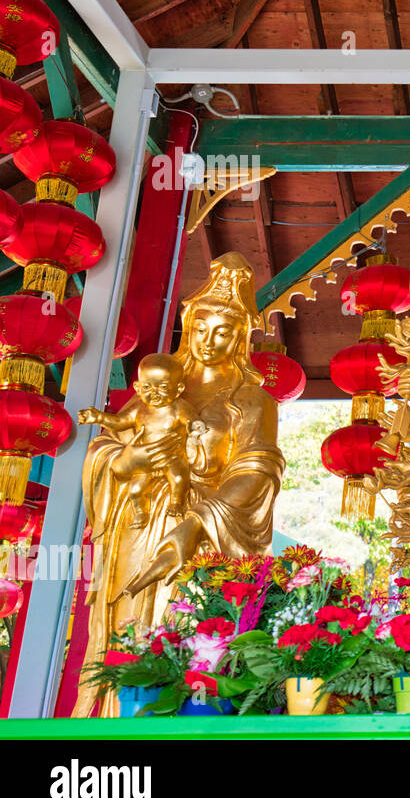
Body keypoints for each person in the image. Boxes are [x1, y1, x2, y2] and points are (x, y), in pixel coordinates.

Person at [76, 253, 285, 717]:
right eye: (202, 328)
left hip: (204, 532)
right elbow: (108, 446)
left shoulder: (252, 400)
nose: (210, 341)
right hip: (136, 522)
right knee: (128, 629)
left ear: (242, 336)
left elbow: (257, 469)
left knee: (188, 629)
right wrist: (126, 460)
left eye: (224, 331)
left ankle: (189, 717)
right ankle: (117, 717)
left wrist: (193, 524)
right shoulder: (161, 383)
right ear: (188, 326)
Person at [77, 353, 204, 530]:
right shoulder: (139, 409)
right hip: (142, 466)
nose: (154, 393)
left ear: (178, 389)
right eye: (147, 387)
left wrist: (195, 432)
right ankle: (140, 512)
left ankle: (177, 503)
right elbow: (120, 423)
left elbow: (193, 422)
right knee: (136, 490)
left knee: (178, 477)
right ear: (137, 388)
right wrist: (99, 418)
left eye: (163, 388)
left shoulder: (179, 408)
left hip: (172, 459)